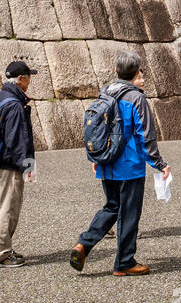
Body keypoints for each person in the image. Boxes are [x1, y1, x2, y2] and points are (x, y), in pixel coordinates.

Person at [69, 50, 170, 276]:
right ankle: (124, 262)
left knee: (112, 206)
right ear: (136, 73)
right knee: (129, 212)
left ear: (116, 71)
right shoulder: (136, 98)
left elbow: (95, 129)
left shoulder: (105, 92)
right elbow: (146, 135)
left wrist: (96, 157)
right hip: (129, 165)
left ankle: (84, 244)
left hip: (107, 162)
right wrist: (159, 163)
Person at [0, 61, 38, 269]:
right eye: (28, 76)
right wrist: (28, 167)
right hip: (10, 164)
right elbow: (18, 141)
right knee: (8, 208)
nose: (30, 81)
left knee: (4, 205)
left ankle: (3, 248)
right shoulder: (14, 104)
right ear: (20, 79)